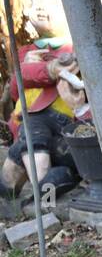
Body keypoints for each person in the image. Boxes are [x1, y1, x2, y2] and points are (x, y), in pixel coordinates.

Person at [2, 12, 86, 202]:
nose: (39, 5)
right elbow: (17, 88)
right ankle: (45, 187)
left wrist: (44, 69)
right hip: (27, 120)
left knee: (32, 134)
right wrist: (31, 67)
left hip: (61, 121)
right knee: (25, 143)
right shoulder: (25, 51)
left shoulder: (76, 47)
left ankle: (43, 196)